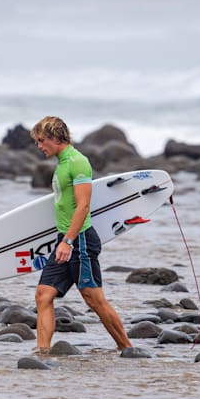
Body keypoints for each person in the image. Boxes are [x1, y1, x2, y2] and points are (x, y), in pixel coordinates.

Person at [30, 116, 133, 353]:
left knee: (93, 299)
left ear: (56, 137)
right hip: (65, 239)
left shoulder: (78, 162)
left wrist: (68, 241)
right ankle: (42, 352)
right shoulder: (62, 163)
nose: (39, 146)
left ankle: (127, 348)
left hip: (80, 240)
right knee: (43, 294)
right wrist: (64, 240)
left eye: (42, 140)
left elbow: (83, 206)